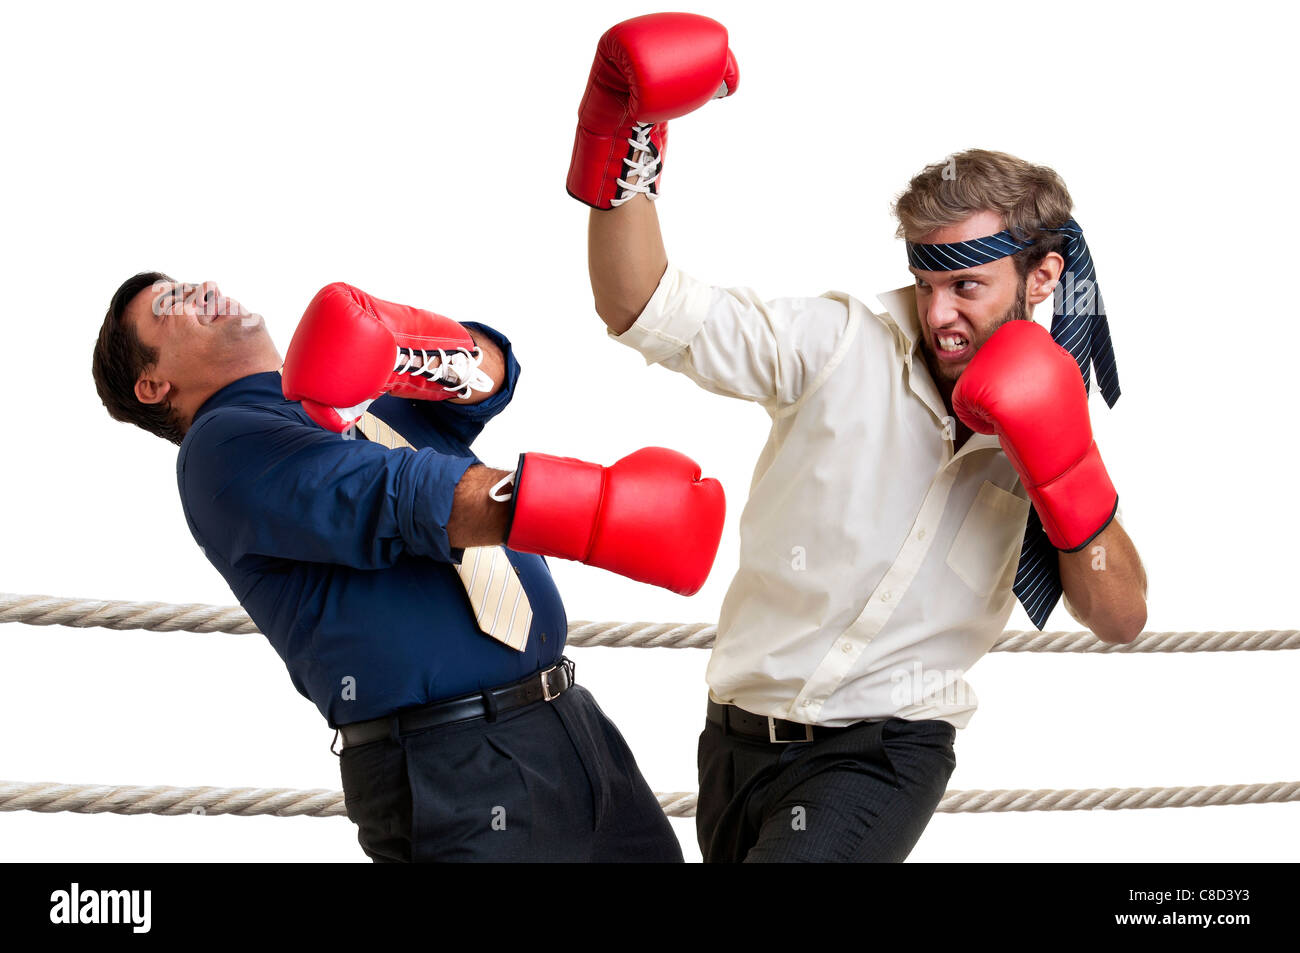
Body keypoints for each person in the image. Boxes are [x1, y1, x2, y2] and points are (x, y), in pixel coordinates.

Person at [567, 13, 1149, 863]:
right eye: (926, 281)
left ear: (1043, 275)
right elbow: (643, 306)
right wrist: (624, 143)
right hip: (734, 736)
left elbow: (1120, 613)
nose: (941, 314)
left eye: (969, 287)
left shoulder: (1051, 410)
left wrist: (1066, 470)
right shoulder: (837, 343)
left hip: (886, 752)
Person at [91, 273, 726, 862]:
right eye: (166, 307)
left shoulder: (349, 399)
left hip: (572, 721)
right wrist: (596, 510)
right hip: (453, 763)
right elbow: (399, 496)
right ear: (153, 385)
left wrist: (403, 346)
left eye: (186, 282)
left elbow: (492, 379)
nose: (196, 290)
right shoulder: (223, 445)